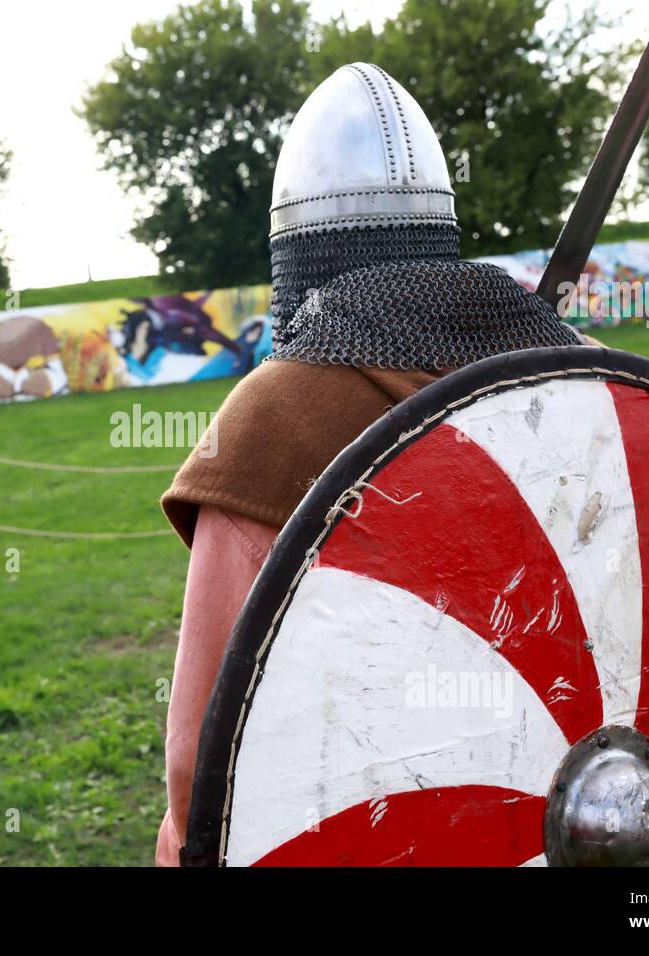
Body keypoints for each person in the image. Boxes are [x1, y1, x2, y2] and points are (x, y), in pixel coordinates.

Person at [152, 62, 585, 867]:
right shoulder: (583, 374)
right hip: (580, 815)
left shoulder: (271, 418)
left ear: (295, 255)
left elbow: (201, 766)